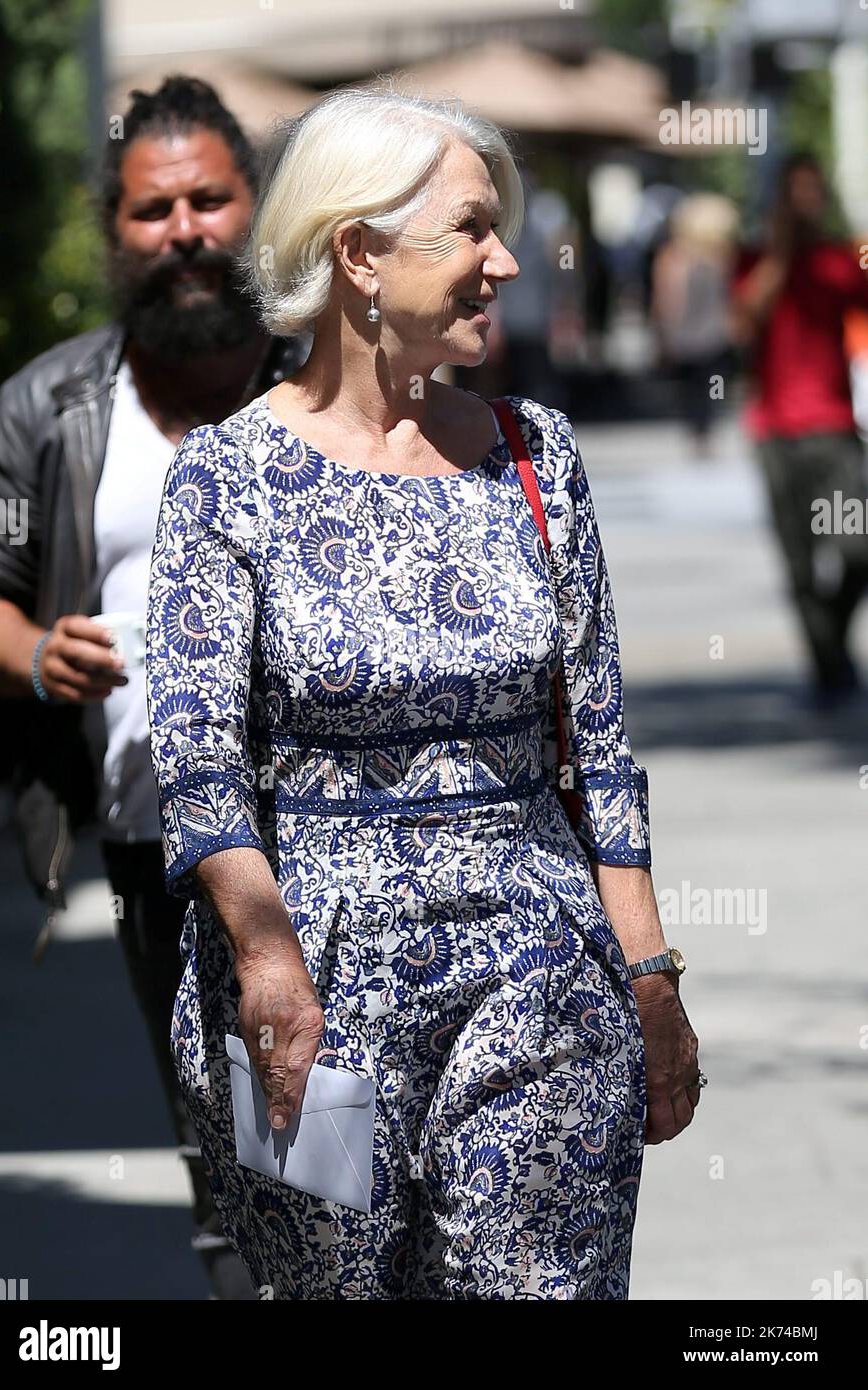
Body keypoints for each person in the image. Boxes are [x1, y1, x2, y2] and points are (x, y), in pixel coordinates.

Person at [146, 84, 701, 1301]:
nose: (503, 260)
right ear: (356, 253)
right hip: (317, 994)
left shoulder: (534, 455)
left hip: (539, 977)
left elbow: (600, 749)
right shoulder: (224, 480)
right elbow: (195, 763)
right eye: (467, 230)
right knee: (339, 1291)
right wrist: (266, 958)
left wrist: (650, 979)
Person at [0, 74, 308, 1298]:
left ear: (250, 206)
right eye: (151, 211)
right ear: (114, 229)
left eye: (208, 201)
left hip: (329, 833)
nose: (184, 234)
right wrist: (31, 655)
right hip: (150, 848)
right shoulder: (46, 409)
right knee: (223, 1148)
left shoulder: (325, 377)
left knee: (340, 1138)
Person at [731, 152, 868, 703]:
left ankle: (830, 642)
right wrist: (781, 253)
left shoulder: (840, 260)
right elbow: (742, 322)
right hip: (775, 430)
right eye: (797, 192)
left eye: (815, 191)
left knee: (859, 548)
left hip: (833, 425)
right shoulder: (753, 258)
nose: (807, 202)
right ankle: (829, 671)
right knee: (799, 562)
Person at [651, 193, 738, 455]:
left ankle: (699, 429)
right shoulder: (719, 256)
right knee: (707, 385)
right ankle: (703, 429)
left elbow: (667, 298)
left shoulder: (676, 256)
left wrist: (664, 332)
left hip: (693, 334)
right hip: (709, 334)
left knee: (695, 387)